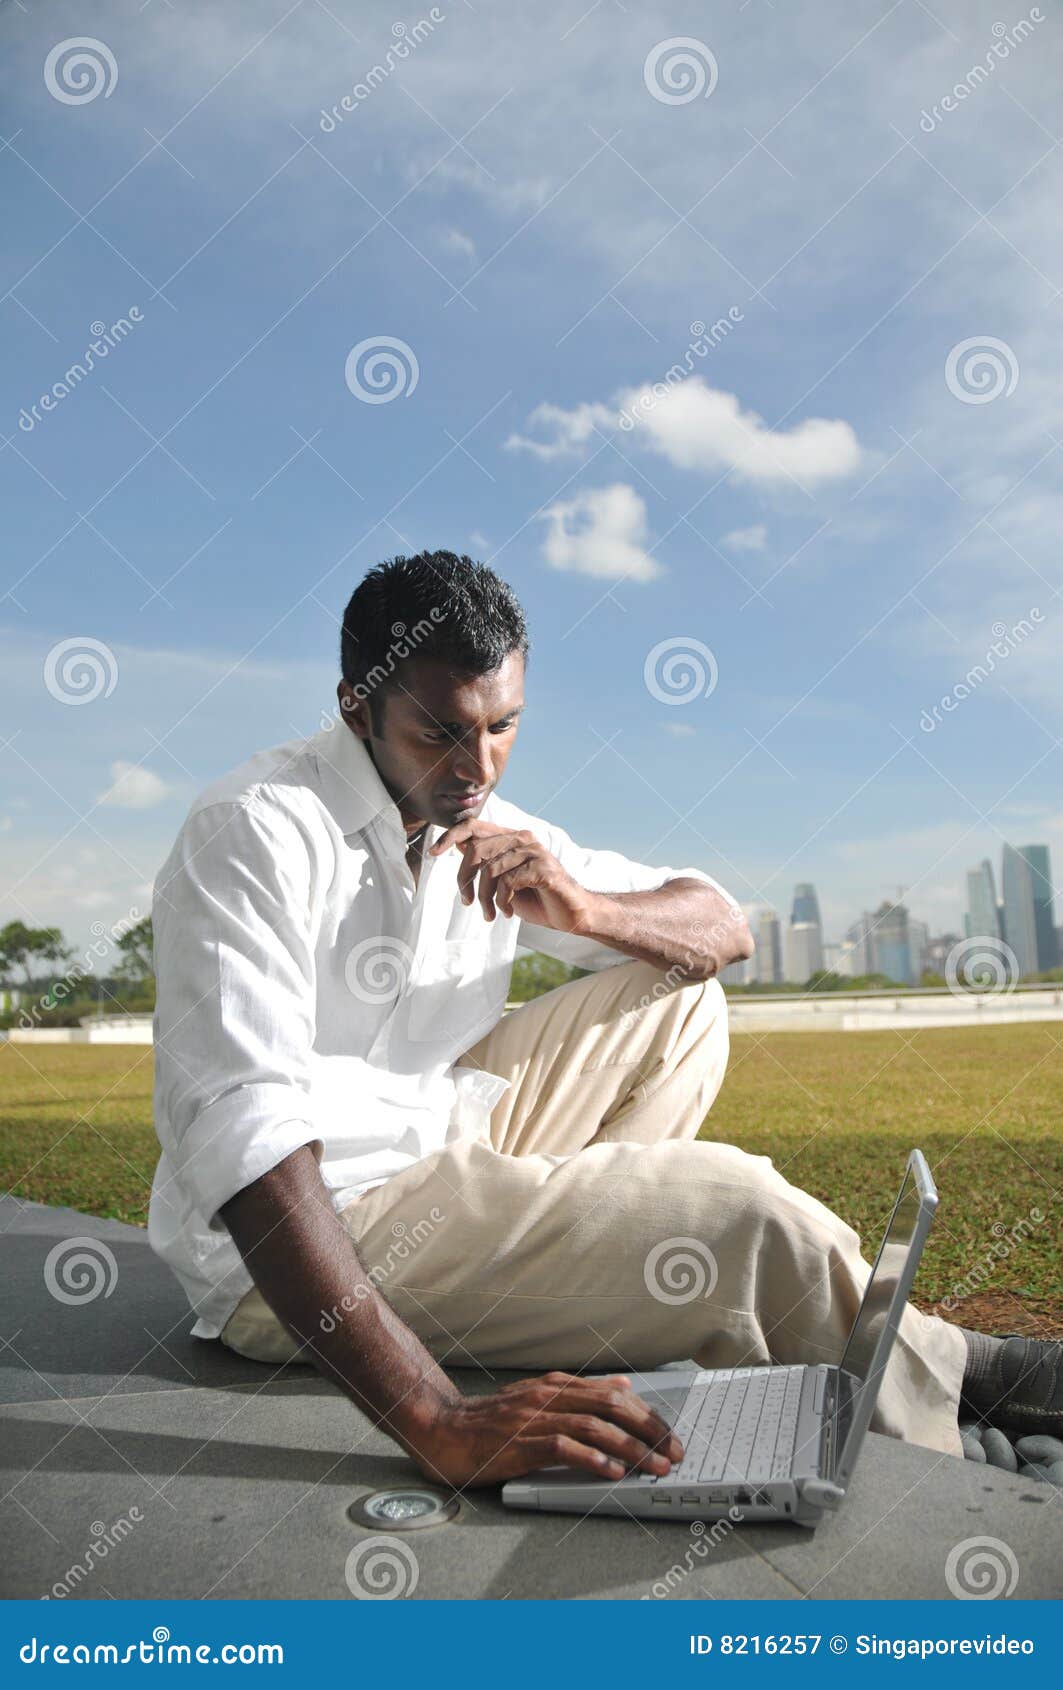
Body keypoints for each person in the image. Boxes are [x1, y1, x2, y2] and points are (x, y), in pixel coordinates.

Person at [147, 551, 1061, 1491]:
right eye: (439, 734)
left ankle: (608, 1295)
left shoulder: (484, 819)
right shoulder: (253, 828)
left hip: (440, 1138)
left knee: (680, 1000)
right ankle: (951, 1406)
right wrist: (436, 1419)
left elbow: (720, 927)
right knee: (734, 1213)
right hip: (303, 1242)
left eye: (503, 726)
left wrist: (585, 910)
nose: (476, 766)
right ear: (355, 707)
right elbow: (248, 1145)